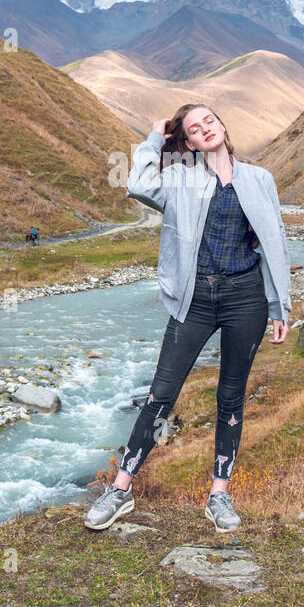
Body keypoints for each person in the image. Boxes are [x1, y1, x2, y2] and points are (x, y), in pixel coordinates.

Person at [84, 103, 292, 533]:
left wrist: (278, 305)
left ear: (221, 125)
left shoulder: (260, 180)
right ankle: (120, 489)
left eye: (209, 121)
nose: (204, 130)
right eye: (194, 130)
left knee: (231, 397)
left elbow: (275, 242)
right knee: (160, 394)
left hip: (246, 298)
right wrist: (154, 138)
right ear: (190, 142)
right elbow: (138, 184)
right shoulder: (179, 178)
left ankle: (219, 495)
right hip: (194, 299)